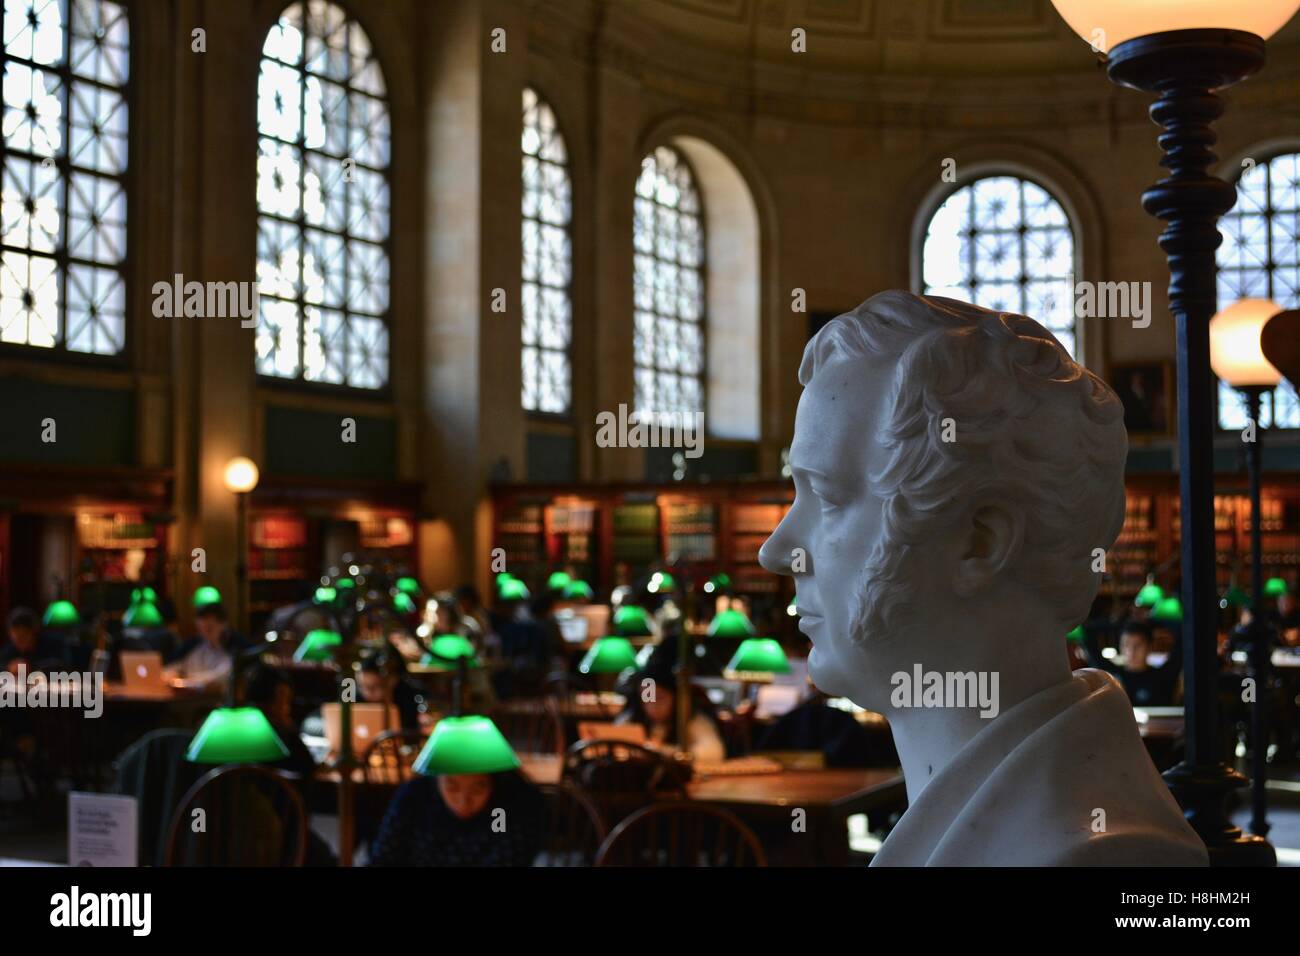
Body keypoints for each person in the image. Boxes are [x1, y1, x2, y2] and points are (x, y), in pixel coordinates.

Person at [369, 770, 545, 866]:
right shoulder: (414, 798)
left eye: (478, 788)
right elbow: (384, 857)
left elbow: (508, 858)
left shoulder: (504, 810)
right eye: (452, 787)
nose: (463, 801)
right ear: (436, 780)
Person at [615, 645, 727, 761]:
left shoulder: (690, 720)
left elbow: (714, 752)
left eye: (660, 698)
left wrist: (665, 752)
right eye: (646, 699)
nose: (653, 705)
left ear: (675, 698)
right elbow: (615, 742)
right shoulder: (632, 718)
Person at [1083, 620, 1182, 707]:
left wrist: (1151, 619)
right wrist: (1118, 622)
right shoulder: (1111, 676)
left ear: (1150, 646)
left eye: (1138, 645)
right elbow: (1088, 632)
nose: (1131, 652)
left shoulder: (1164, 676)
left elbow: (1183, 632)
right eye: (1126, 645)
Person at [243, 663, 318, 778]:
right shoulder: (276, 736)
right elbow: (308, 768)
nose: (287, 709)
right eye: (282, 701)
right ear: (263, 704)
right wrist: (291, 731)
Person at [164, 602, 250, 687]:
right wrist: (173, 673)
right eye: (201, 629)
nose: (204, 634)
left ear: (223, 625)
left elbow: (224, 675)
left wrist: (189, 678)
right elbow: (176, 666)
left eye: (209, 629)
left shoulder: (236, 646)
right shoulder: (194, 645)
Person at [358, 650, 423, 731]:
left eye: (373, 687)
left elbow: (410, 730)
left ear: (392, 681)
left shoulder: (405, 697)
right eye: (361, 686)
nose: (366, 694)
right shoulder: (357, 698)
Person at [1, 607, 66, 674]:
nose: (19, 640)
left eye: (23, 636)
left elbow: (59, 665)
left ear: (34, 632)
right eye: (15, 637)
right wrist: (8, 667)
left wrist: (30, 666)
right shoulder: (9, 649)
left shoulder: (51, 643)